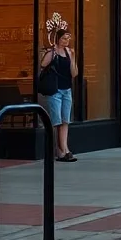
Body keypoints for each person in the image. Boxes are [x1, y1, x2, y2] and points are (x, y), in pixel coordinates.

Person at [39, 29, 78, 162]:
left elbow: (74, 73)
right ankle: (62, 151)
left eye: (68, 38)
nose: (66, 41)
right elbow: (43, 64)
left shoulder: (68, 52)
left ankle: (64, 150)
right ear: (58, 39)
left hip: (66, 90)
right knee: (57, 121)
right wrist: (50, 53)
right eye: (63, 39)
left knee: (65, 120)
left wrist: (73, 57)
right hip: (55, 90)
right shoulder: (53, 52)